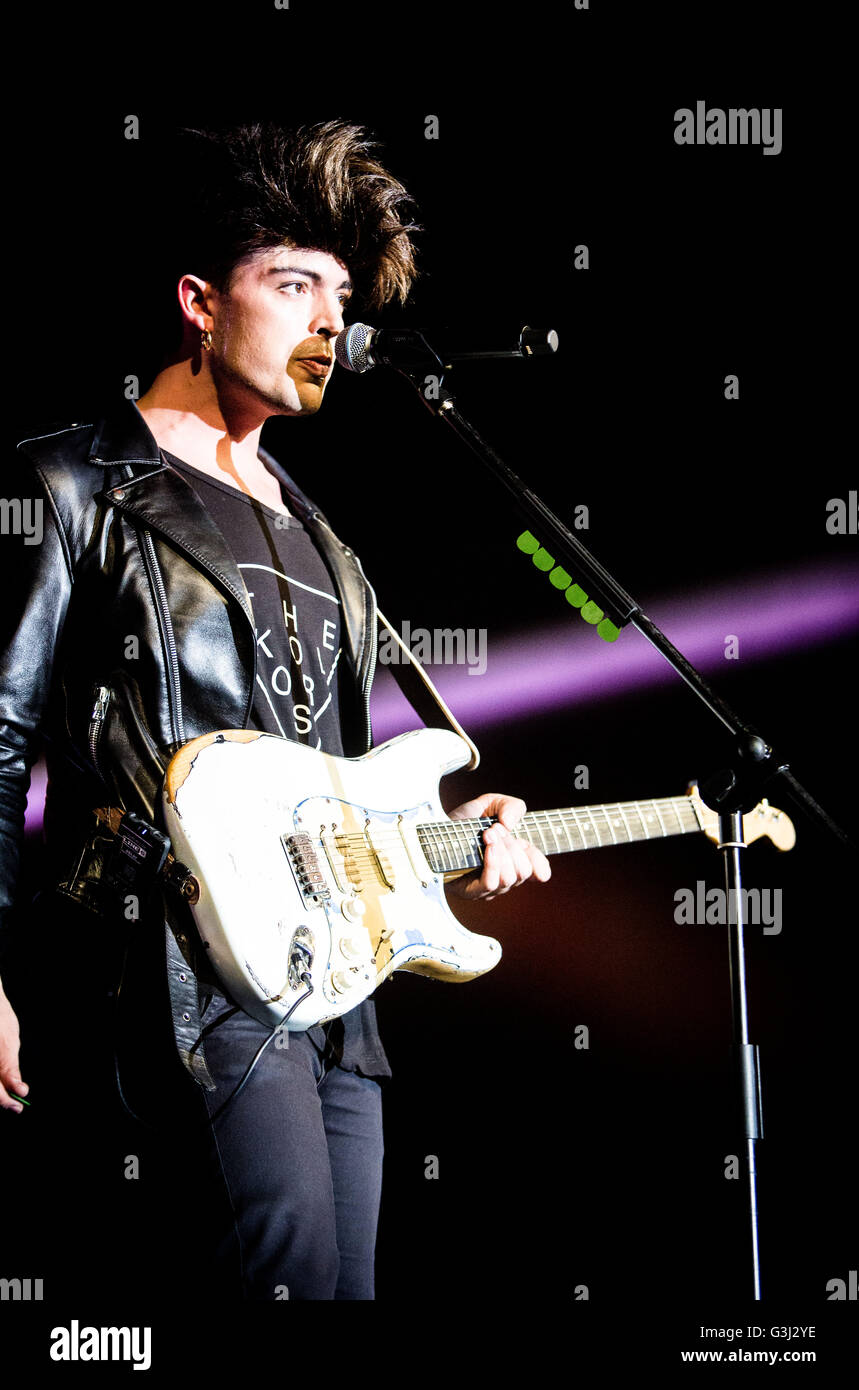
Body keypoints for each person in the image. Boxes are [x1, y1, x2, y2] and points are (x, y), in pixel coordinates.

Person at [0, 119, 551, 1301]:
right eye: (292, 282)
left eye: (339, 293)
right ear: (199, 300)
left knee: (346, 1284)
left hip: (332, 985)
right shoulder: (76, 485)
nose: (325, 322)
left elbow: (339, 791)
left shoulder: (327, 544)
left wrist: (450, 833)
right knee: (285, 1263)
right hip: (177, 967)